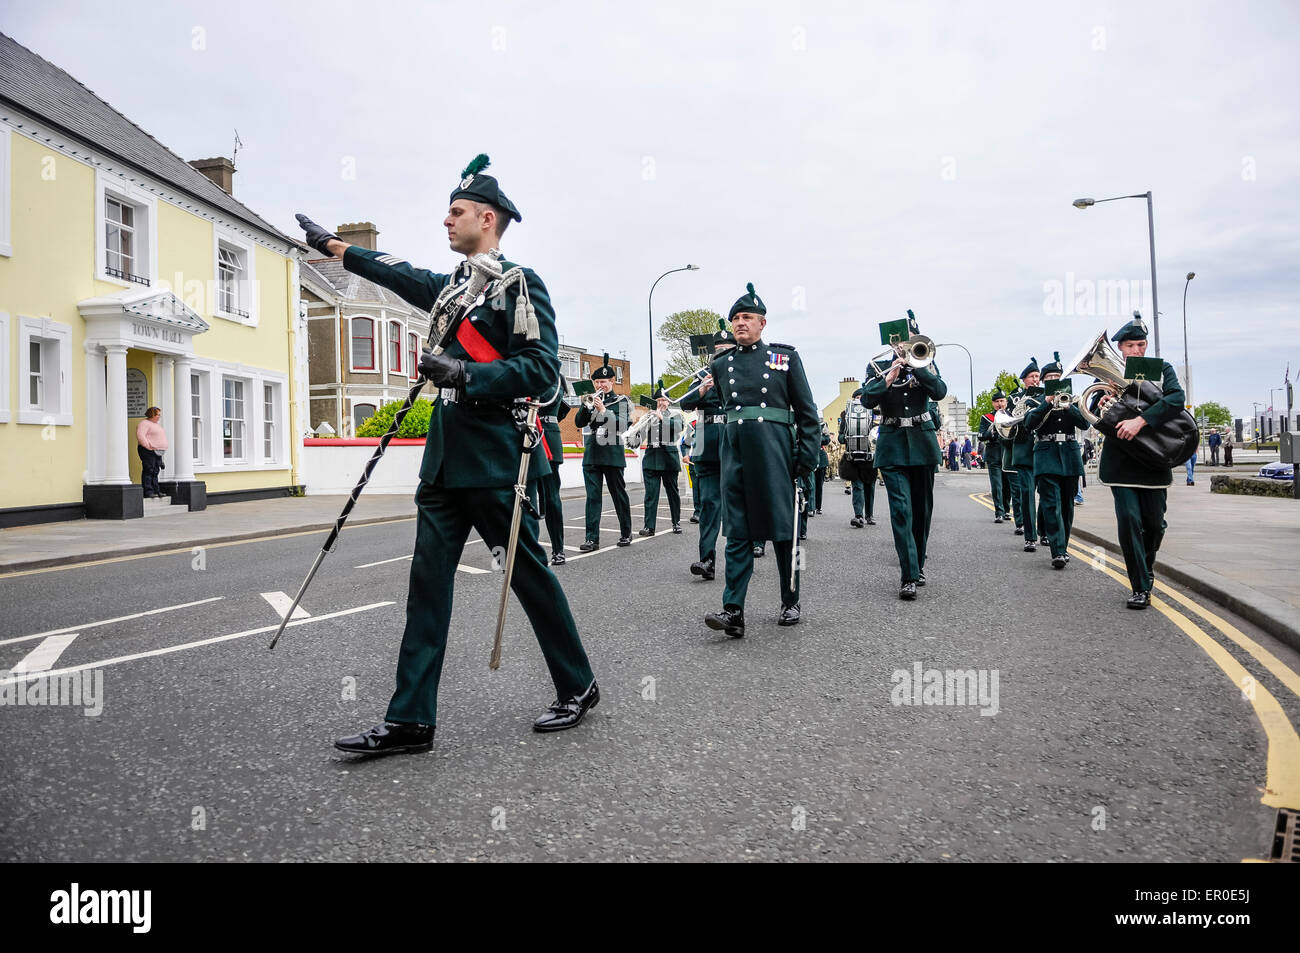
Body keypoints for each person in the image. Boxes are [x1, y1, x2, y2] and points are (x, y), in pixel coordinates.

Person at [295, 154, 598, 756]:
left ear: (487, 219)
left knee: (528, 577)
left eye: (456, 212)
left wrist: (463, 372)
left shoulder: (518, 284)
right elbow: (398, 272)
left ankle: (578, 683)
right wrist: (334, 246)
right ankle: (411, 720)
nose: (446, 220)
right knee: (427, 586)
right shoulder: (454, 289)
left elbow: (540, 370)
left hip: (491, 458)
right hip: (444, 460)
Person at [703, 283, 819, 635]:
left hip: (775, 453)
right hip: (735, 454)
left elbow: (807, 413)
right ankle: (733, 611)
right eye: (736, 318)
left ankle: (790, 600)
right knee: (737, 533)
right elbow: (726, 407)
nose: (740, 323)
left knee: (785, 533)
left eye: (747, 317)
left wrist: (805, 458)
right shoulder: (721, 364)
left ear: (762, 323)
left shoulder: (783, 358)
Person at [1092, 315, 1186, 609]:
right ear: (1120, 348)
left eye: (1140, 344)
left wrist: (1141, 420)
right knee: (1130, 521)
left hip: (1153, 457)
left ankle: (1145, 570)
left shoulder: (1160, 370)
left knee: (1155, 525)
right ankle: (1140, 585)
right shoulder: (1106, 376)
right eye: (1130, 345)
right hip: (1121, 460)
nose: (1136, 350)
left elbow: (1176, 399)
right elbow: (1095, 415)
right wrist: (1104, 401)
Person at [862, 313, 947, 600]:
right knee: (901, 511)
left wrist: (916, 365)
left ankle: (918, 564)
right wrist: (889, 378)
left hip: (922, 443)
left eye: (908, 340)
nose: (902, 345)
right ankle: (908, 574)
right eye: (898, 341)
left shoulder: (926, 362)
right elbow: (866, 399)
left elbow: (939, 390)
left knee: (922, 512)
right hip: (892, 444)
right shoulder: (877, 366)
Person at [681, 321, 736, 581]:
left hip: (733, 437)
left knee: (743, 498)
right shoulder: (702, 373)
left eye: (728, 348)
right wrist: (702, 388)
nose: (722, 352)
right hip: (705, 441)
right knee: (709, 504)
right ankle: (707, 560)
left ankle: (754, 543)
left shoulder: (740, 369)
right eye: (719, 349)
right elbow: (685, 402)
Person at [1022, 352, 1087, 569]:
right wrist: (1048, 403)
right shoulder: (1034, 400)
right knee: (1051, 504)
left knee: (1067, 505)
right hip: (1046, 454)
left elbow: (1084, 425)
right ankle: (1058, 551)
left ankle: (1063, 546)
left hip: (1069, 453)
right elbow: (1029, 423)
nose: (1054, 381)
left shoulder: (1073, 399)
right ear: (1042, 381)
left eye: (1058, 377)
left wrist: (1070, 407)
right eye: (1050, 378)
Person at [574, 354, 633, 549]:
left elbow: (623, 426)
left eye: (604, 382)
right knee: (592, 498)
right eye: (597, 382)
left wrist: (603, 411)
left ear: (612, 381)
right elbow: (578, 423)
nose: (600, 385)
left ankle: (626, 533)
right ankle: (592, 539)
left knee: (618, 495)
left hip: (612, 454)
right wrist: (586, 405)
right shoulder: (592, 400)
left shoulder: (622, 401)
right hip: (592, 454)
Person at [637, 382, 685, 536]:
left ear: (669, 402)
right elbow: (639, 437)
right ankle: (649, 526)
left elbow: (678, 428)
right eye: (658, 400)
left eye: (663, 400)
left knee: (673, 493)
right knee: (651, 495)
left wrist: (662, 418)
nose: (661, 403)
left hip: (669, 458)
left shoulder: (676, 415)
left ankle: (676, 522)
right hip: (651, 457)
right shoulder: (648, 416)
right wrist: (640, 423)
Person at [1007, 357, 1041, 551]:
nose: (1036, 380)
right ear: (1024, 379)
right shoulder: (1014, 399)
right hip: (1024, 449)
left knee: (1047, 495)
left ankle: (1045, 530)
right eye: (1032, 376)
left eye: (1037, 376)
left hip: (1045, 450)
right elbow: (1010, 421)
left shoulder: (1046, 395)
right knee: (1027, 493)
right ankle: (1030, 536)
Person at [539, 377, 571, 565]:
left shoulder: (555, 378)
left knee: (551, 498)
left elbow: (547, 397)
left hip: (547, 437)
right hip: (525, 434)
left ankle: (558, 549)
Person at [839, 384, 879, 527]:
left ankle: (869, 515)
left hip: (869, 456)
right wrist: (843, 437)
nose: (859, 400)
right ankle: (858, 516)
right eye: (857, 398)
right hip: (853, 456)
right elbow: (840, 435)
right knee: (857, 486)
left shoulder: (874, 413)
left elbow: (878, 432)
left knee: (870, 486)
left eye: (862, 398)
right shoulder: (846, 414)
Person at [977, 390, 1008, 522]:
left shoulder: (1011, 415)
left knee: (1008, 485)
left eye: (1002, 401)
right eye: (996, 401)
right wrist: (991, 431)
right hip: (993, 451)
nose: (999, 404)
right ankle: (999, 512)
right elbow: (981, 435)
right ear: (993, 403)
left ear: (1006, 402)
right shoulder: (986, 418)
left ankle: (1006, 510)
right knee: (997, 485)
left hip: (1008, 452)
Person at [135, 406, 167, 499]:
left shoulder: (156, 425)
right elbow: (140, 435)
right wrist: (148, 446)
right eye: (158, 415)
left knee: (156, 471)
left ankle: (156, 490)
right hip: (148, 450)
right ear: (152, 414)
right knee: (149, 470)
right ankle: (148, 491)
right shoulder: (144, 423)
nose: (159, 417)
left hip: (157, 451)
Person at [682, 420, 701, 522]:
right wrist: (685, 454)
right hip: (695, 460)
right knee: (696, 488)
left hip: (712, 459)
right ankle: (698, 512)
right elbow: (685, 442)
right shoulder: (692, 424)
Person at [813, 420, 830, 514]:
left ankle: (818, 506)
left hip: (821, 458)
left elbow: (827, 440)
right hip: (809, 456)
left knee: (819, 485)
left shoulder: (823, 425)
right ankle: (810, 505)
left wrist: (816, 438)